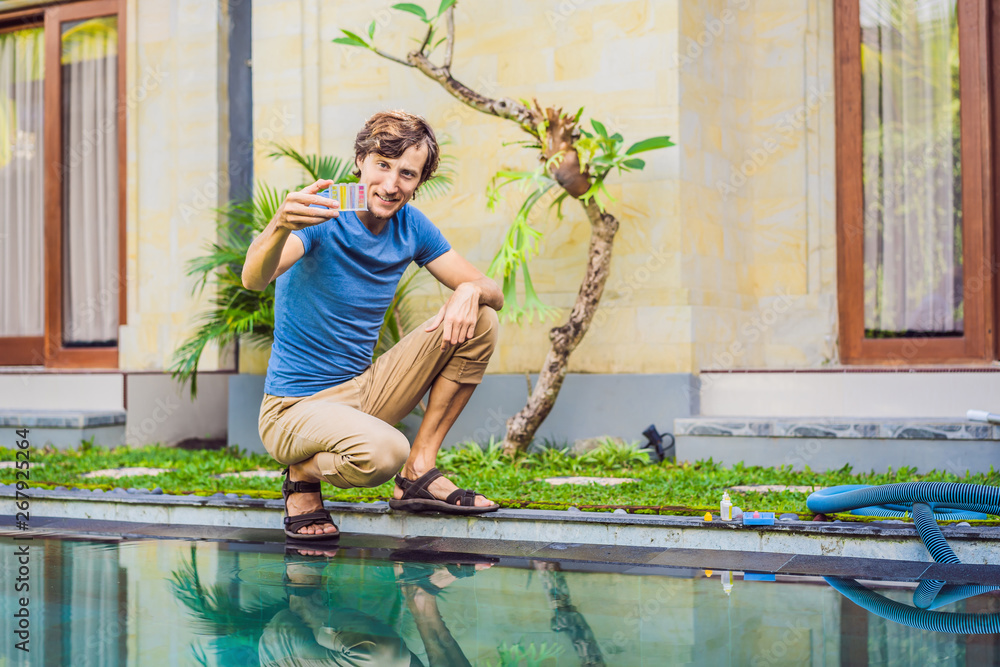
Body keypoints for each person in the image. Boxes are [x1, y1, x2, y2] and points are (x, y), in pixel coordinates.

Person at [242, 110, 503, 541]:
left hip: (363, 392)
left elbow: (489, 287)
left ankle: (418, 470)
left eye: (407, 173)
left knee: (482, 319)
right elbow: (253, 278)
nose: (391, 184)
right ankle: (301, 475)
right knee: (385, 451)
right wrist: (278, 225)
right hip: (292, 409)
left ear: (418, 182)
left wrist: (470, 292)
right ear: (361, 160)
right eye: (383, 164)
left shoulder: (411, 226)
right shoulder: (323, 216)